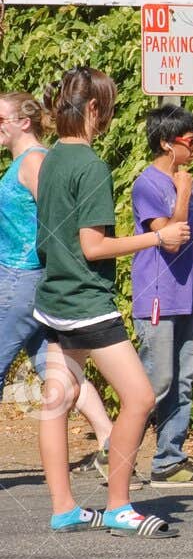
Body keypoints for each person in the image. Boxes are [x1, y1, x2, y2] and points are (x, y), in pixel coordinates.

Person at [33, 68, 189, 537]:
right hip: (86, 300)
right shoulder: (91, 166)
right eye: (110, 108)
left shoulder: (51, 159)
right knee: (140, 398)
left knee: (56, 399)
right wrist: (156, 238)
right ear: (95, 109)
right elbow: (94, 247)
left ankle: (64, 508)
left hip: (54, 296)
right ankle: (119, 505)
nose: (111, 119)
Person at [0, 90, 117, 470]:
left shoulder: (34, 162)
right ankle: (110, 441)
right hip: (29, 279)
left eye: (2, 119)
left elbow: (55, 220)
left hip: (22, 278)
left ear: (24, 121)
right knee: (58, 370)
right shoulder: (29, 159)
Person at [131, 105, 193, 487]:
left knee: (181, 382)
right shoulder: (148, 184)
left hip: (185, 298)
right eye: (190, 140)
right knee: (156, 382)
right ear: (167, 143)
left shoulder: (190, 182)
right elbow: (172, 237)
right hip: (157, 299)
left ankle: (169, 459)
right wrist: (182, 191)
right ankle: (114, 455)